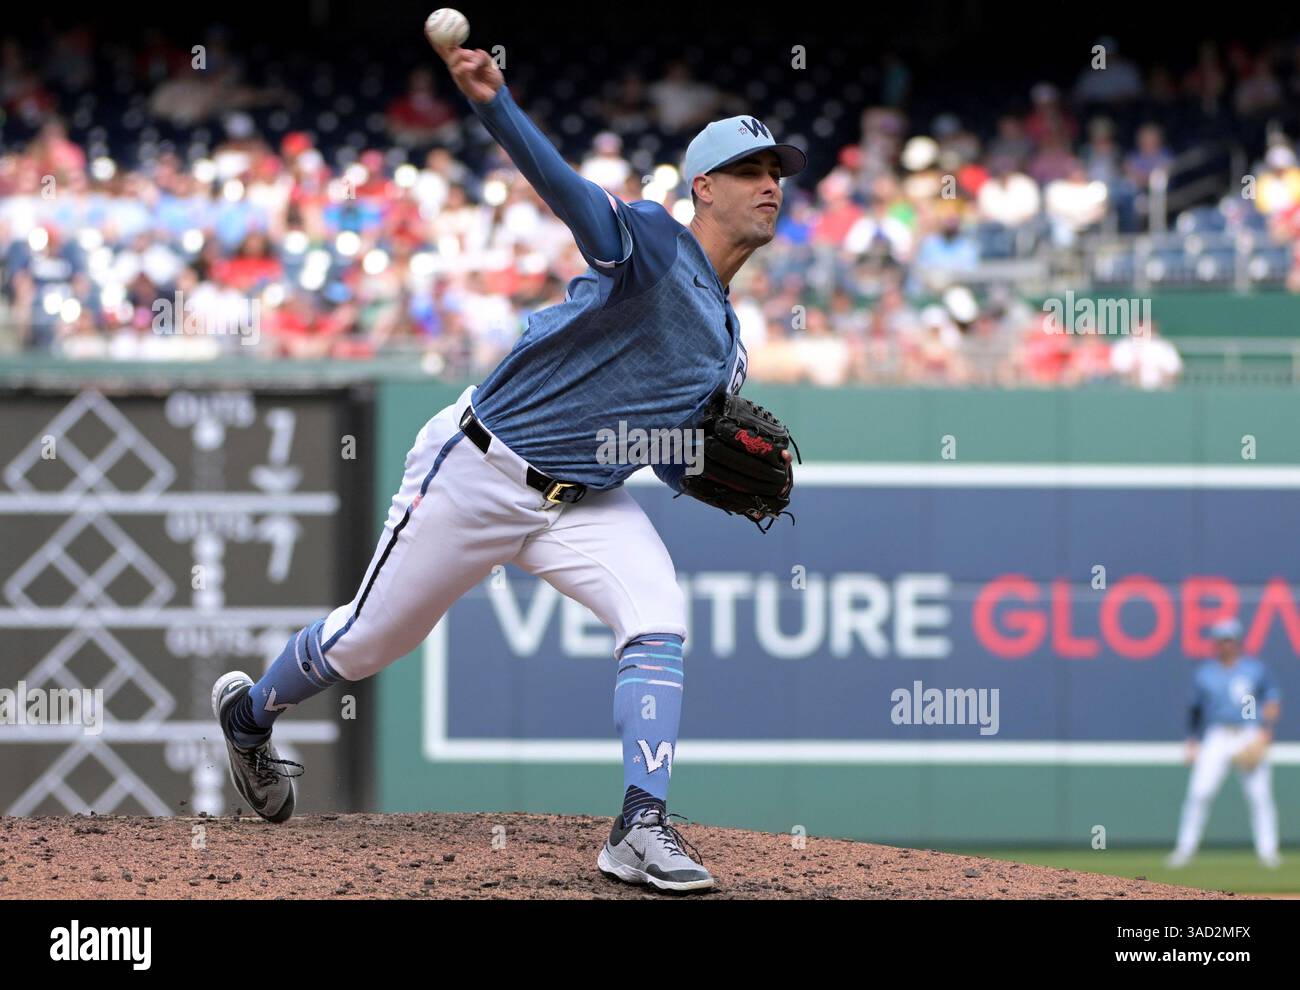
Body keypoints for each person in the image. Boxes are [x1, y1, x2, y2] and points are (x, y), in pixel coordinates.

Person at [210, 38, 803, 895]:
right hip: (481, 468)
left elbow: (662, 460)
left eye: (777, 168)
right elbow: (566, 192)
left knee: (658, 614)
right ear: (703, 186)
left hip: (582, 501)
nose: (769, 182)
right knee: (369, 642)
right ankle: (248, 716)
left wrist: (697, 467)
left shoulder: (729, 347)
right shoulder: (651, 242)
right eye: (748, 167)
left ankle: (639, 826)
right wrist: (494, 103)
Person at [1168, 618, 1282, 869]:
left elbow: (1271, 700)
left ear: (1237, 641)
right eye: (1221, 640)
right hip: (1217, 734)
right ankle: (1184, 850)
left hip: (1248, 732)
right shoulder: (1205, 672)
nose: (1225, 644)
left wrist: (1265, 733)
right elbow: (1195, 710)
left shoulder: (1254, 669)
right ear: (1215, 643)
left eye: (1229, 639)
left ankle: (1268, 852)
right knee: (1199, 793)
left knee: (1260, 796)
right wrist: (1192, 741)